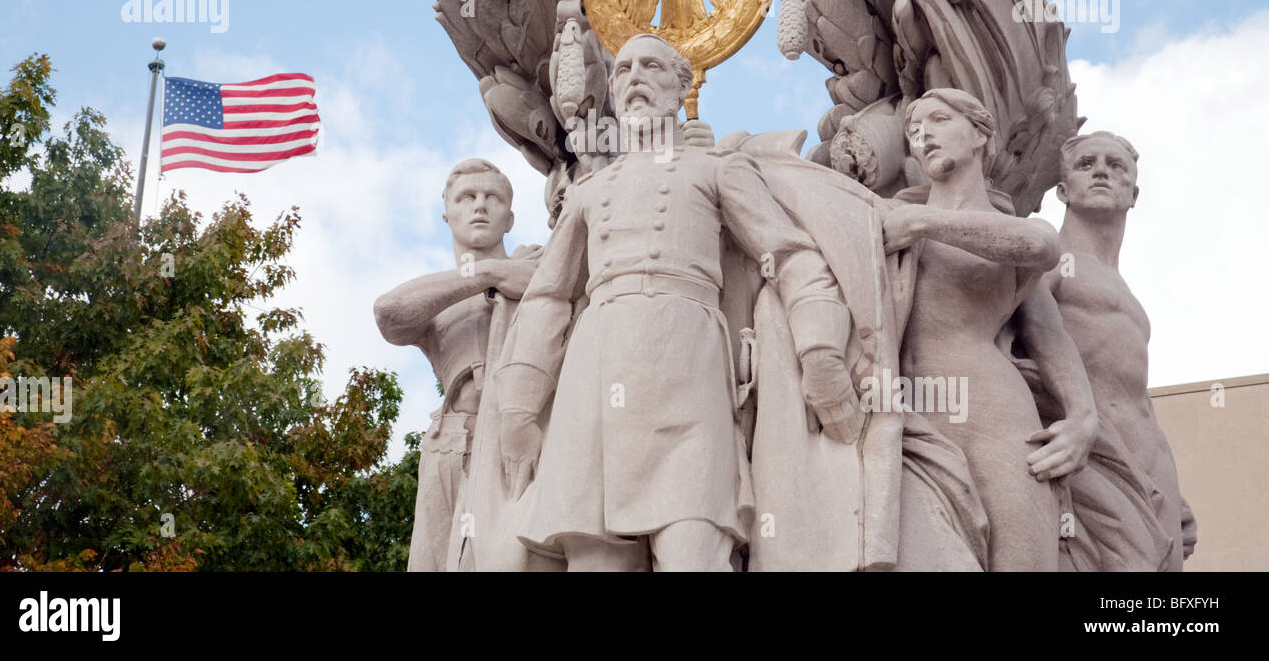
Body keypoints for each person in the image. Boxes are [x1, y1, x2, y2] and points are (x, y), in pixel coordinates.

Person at [496, 33, 855, 571]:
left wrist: (821, 350)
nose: (634, 77)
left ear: (680, 87)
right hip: (594, 372)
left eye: (651, 67)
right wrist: (520, 408)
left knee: (695, 549)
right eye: (623, 71)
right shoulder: (591, 192)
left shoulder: (715, 169)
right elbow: (548, 295)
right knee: (594, 559)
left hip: (687, 368)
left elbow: (788, 256)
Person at [882, 88, 1095, 570]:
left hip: (991, 415)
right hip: (905, 419)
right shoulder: (890, 217)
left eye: (938, 120)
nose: (924, 135)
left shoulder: (953, 225)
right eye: (914, 131)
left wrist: (1083, 418)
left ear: (980, 134)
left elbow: (1045, 300)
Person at [373, 158, 539, 571]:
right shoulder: (438, 296)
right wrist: (489, 274)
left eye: (492, 198)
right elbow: (388, 314)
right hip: (454, 439)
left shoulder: (538, 265)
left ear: (510, 216)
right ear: (447, 213)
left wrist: (511, 275)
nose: (480, 206)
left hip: (519, 433)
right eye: (467, 197)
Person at [1044, 130, 1196, 569]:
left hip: (1152, 465)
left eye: (1116, 166)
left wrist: (1174, 487)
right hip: (1092, 453)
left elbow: (1136, 395)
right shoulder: (1051, 258)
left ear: (1134, 193)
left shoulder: (1128, 295)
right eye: (1086, 163)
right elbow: (1012, 338)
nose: (1101, 172)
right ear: (1062, 189)